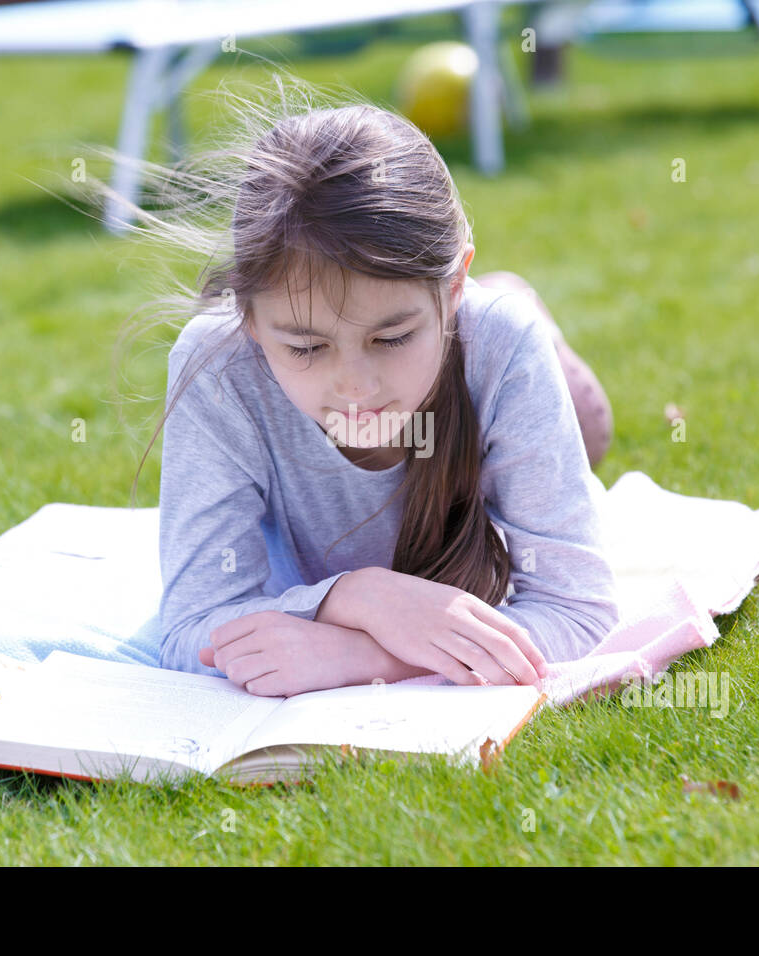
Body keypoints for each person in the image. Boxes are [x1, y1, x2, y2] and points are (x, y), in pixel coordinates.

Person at [117, 80, 619, 698]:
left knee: (587, 426)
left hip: (513, 367)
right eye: (306, 347)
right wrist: (360, 595)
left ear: (453, 289)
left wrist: (364, 654)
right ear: (248, 318)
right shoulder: (216, 364)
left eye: (391, 338)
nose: (355, 386)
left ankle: (521, 305)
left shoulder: (503, 345)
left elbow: (582, 613)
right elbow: (192, 628)